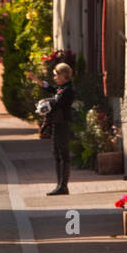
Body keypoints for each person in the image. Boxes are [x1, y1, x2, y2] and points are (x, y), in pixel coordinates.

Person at [38, 62, 75, 195]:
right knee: (56, 154)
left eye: (55, 75)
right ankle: (59, 185)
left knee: (63, 154)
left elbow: (57, 102)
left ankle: (63, 186)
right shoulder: (62, 88)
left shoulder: (68, 89)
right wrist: (40, 83)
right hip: (57, 123)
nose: (54, 78)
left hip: (63, 123)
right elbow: (54, 91)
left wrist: (46, 102)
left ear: (63, 75)